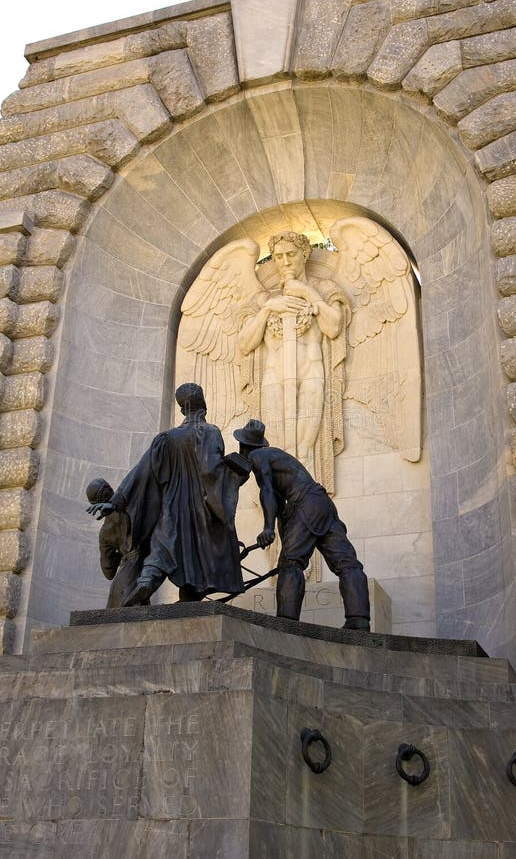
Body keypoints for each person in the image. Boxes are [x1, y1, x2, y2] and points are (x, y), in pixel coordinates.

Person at [88, 383, 247, 606]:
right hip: (203, 511)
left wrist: (115, 502)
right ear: (203, 404)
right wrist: (236, 475)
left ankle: (147, 579)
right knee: (198, 559)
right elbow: (212, 471)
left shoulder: (167, 439)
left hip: (173, 507)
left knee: (163, 548)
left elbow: (141, 472)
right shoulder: (211, 433)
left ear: (182, 409)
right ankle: (187, 593)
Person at [233, 419, 370, 630]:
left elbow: (267, 492)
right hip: (322, 502)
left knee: (290, 564)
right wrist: (279, 533)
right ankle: (358, 620)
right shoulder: (276, 457)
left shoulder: (257, 456)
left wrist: (267, 528)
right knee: (347, 563)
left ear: (244, 446)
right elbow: (279, 507)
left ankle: (286, 624)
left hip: (305, 502)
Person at [237, 231, 348, 492]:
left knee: (307, 444)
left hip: (312, 372)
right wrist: (268, 309)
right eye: (278, 256)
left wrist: (308, 293)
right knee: (274, 445)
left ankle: (308, 502)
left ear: (305, 254)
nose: (284, 262)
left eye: (291, 255)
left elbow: (333, 327)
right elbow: (245, 343)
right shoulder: (264, 299)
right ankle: (276, 509)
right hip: (273, 378)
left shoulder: (323, 288)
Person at [85, 477, 147, 608]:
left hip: (130, 568)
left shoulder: (105, 533)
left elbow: (108, 571)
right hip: (150, 557)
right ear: (110, 489)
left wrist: (120, 554)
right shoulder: (131, 501)